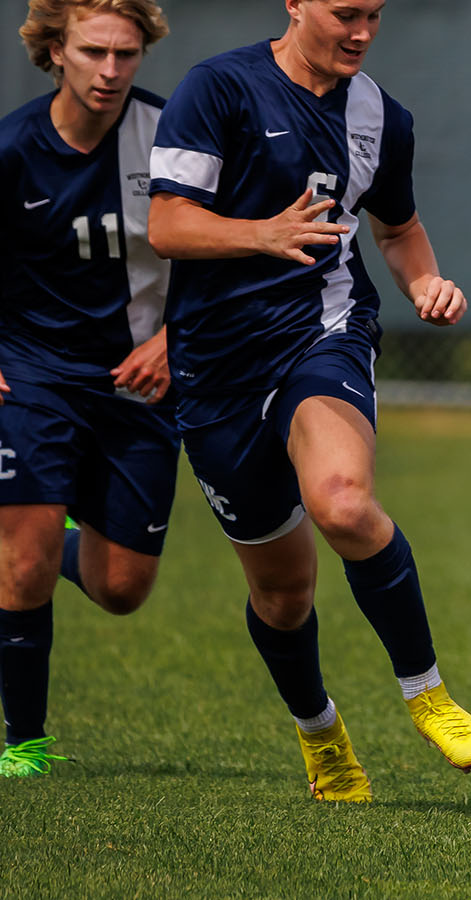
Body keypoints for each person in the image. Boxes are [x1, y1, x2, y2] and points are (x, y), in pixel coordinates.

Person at [146, 0, 471, 802]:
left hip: (323, 334)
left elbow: (398, 229)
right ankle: (321, 734)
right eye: (345, 13)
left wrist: (426, 282)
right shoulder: (219, 88)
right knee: (282, 590)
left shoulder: (380, 115)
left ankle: (428, 693)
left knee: (341, 503)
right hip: (214, 368)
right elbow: (167, 224)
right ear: (296, 4)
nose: (362, 32)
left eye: (374, 15)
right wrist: (258, 234)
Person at [0, 0, 177, 778]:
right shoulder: (12, 148)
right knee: (26, 562)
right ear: (56, 51)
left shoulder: (172, 138)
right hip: (33, 373)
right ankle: (24, 743)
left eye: (126, 54)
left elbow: (219, 260)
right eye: (94, 52)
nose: (110, 71)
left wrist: (173, 343)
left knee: (122, 588)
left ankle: (32, 540)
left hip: (138, 383)